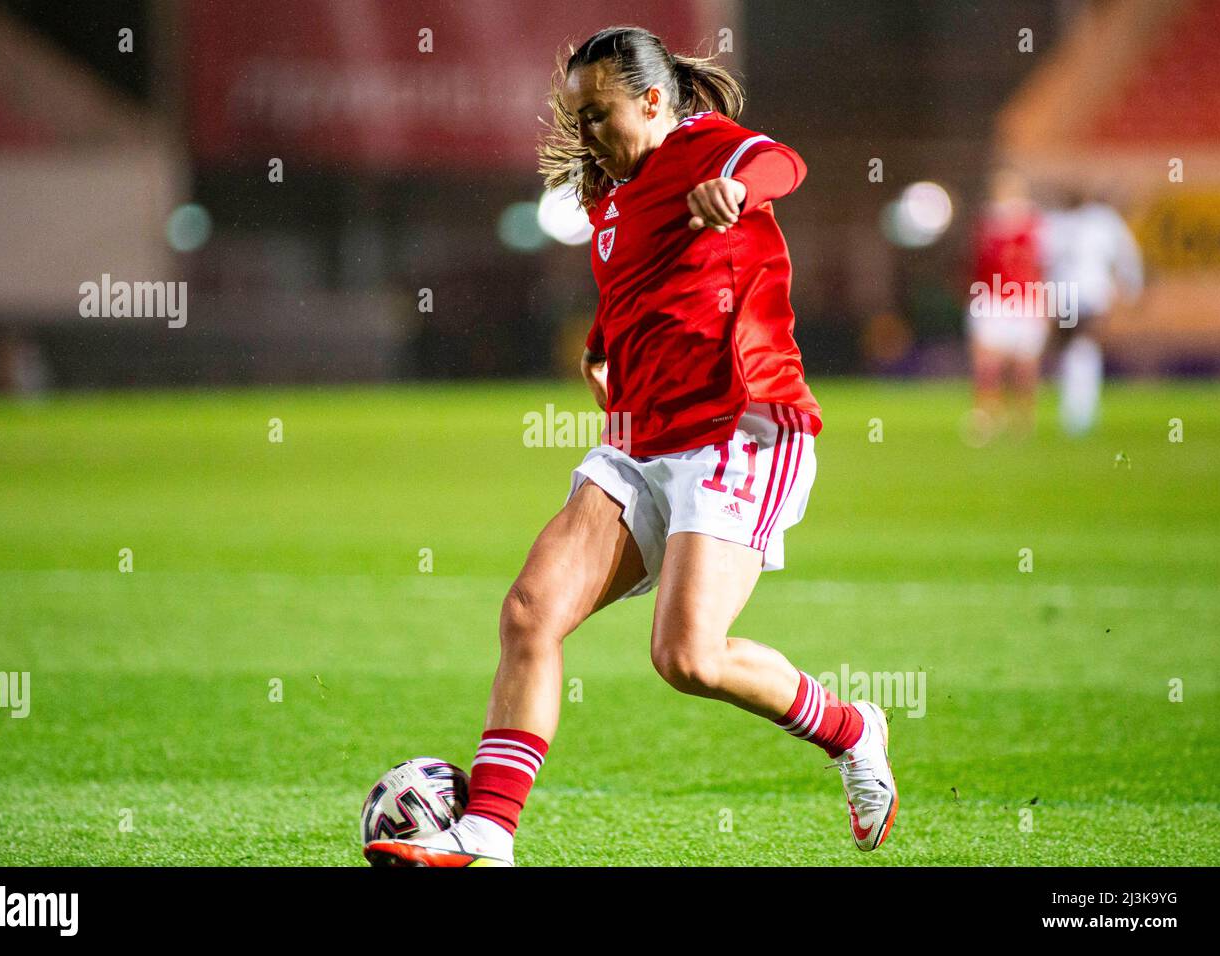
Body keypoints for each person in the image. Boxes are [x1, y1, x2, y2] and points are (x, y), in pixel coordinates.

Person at [364, 25, 897, 867]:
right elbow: (649, 285)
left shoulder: (699, 149)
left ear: (654, 102)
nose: (585, 134)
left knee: (686, 656)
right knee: (529, 613)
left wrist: (731, 184)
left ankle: (852, 727)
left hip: (739, 429)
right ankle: (489, 835)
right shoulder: (605, 200)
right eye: (577, 117)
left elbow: (781, 164)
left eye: (599, 114)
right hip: (641, 440)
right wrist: (604, 341)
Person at [1040, 190, 1144, 437]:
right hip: (1074, 294)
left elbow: (1126, 256)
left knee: (1082, 348)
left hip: (1084, 294)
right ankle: (1077, 408)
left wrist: (1131, 288)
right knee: (1075, 350)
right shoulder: (1060, 223)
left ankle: (1080, 409)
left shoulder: (1095, 221)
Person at [963, 168, 1049, 445]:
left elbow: (1040, 267)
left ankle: (1024, 417)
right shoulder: (986, 224)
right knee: (987, 361)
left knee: (1025, 364)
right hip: (992, 298)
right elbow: (977, 266)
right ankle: (987, 413)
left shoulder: (1034, 224)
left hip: (1023, 299)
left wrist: (1043, 303)